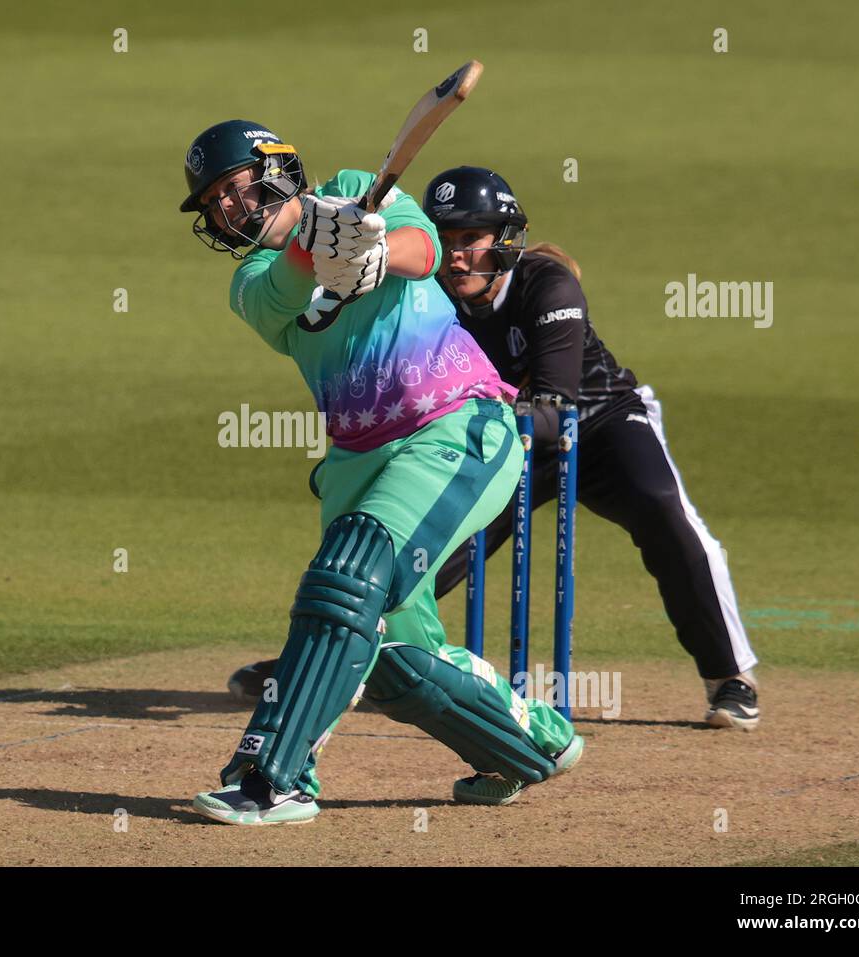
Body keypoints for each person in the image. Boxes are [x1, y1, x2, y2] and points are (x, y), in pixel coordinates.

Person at [231, 167, 761, 731]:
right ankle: (321, 662)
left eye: (471, 240)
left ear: (504, 240)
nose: (457, 257)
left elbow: (554, 409)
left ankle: (729, 676)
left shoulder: (548, 284)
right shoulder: (427, 290)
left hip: (599, 423)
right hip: (495, 437)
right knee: (413, 553)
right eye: (448, 240)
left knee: (661, 507)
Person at [180, 121, 584, 825]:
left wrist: (372, 251)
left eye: (238, 186)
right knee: (397, 655)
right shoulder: (247, 284)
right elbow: (284, 286)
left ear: (278, 169)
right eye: (216, 203)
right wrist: (321, 252)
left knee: (345, 581)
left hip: (456, 428)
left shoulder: (351, 194)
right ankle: (530, 744)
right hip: (357, 460)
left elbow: (424, 249)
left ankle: (275, 776)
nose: (233, 208)